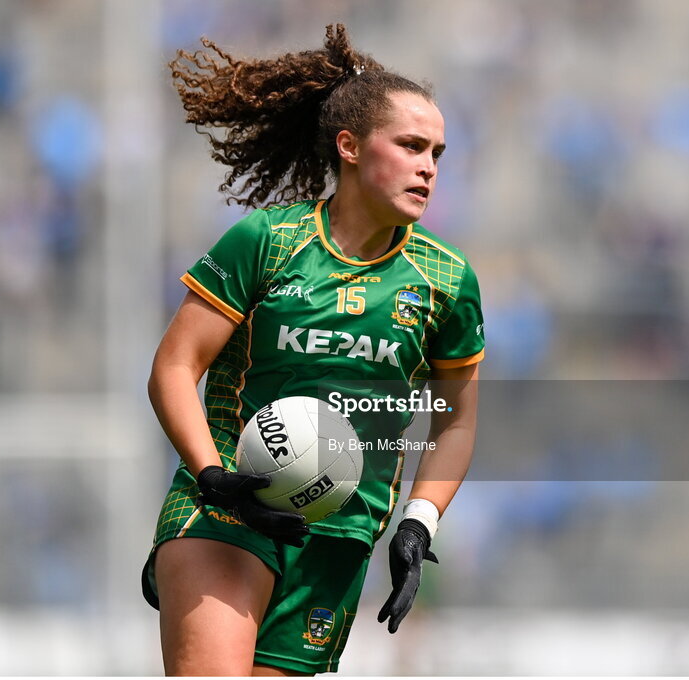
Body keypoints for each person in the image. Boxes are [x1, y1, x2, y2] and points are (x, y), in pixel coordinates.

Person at [142, 24, 484, 676]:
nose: (428, 166)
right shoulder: (267, 241)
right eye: (411, 146)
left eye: (437, 152)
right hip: (228, 511)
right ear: (350, 147)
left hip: (337, 536)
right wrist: (214, 477)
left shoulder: (447, 280)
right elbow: (174, 366)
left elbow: (457, 421)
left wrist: (418, 522)